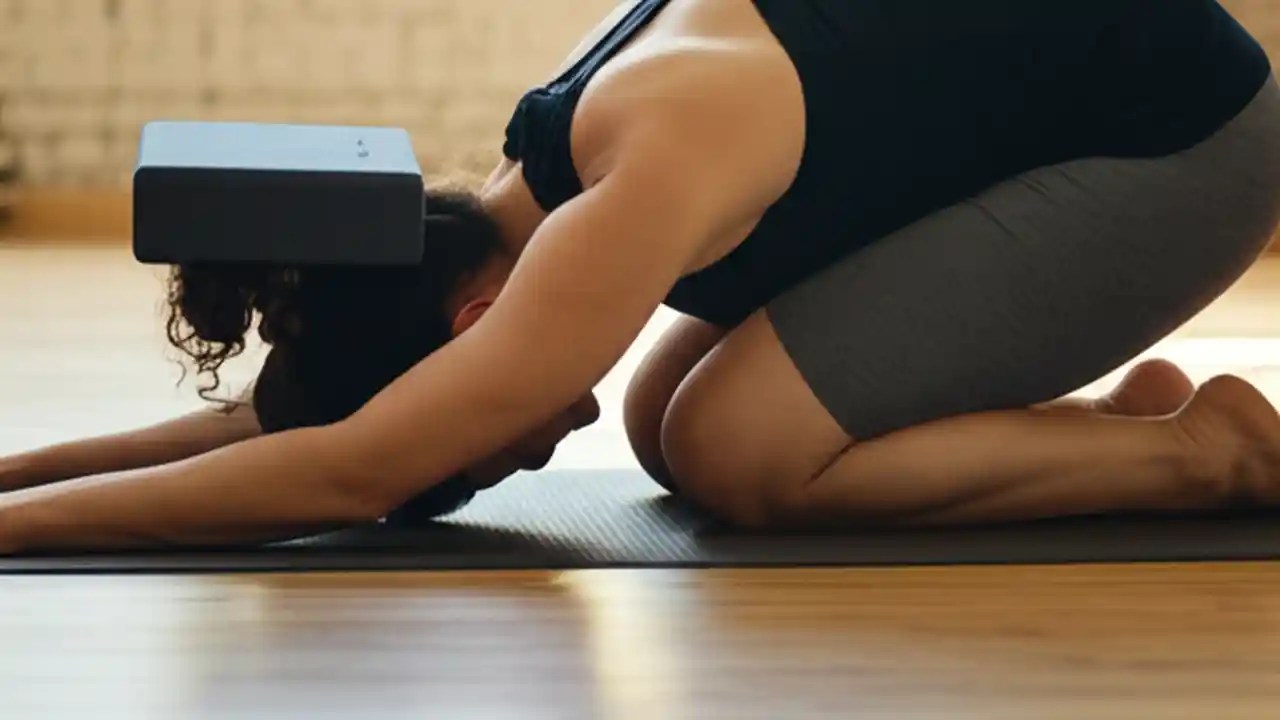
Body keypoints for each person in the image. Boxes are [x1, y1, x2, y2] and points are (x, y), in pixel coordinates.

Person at [2, 0, 1280, 554]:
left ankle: (1210, 452)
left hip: (1184, 143)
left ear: (476, 319)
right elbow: (300, 425)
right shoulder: (553, 157)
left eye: (494, 446)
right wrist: (17, 472)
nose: (530, 449)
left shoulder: (626, 192)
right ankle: (1111, 434)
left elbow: (350, 464)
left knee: (742, 450)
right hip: (1068, 120)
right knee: (673, 424)